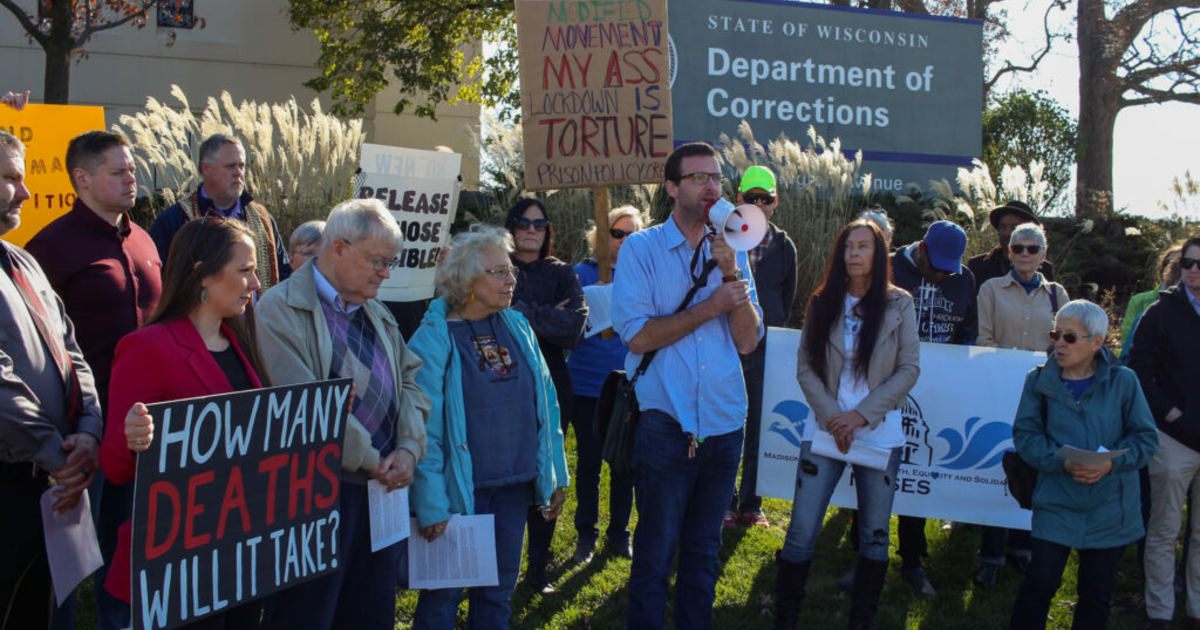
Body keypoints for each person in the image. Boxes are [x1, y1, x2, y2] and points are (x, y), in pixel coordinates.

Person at [255, 198, 429, 630]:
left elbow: (411, 380)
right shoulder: (279, 308)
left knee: (371, 613)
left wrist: (408, 449)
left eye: (390, 263)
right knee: (308, 614)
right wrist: (374, 461)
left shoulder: (376, 309)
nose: (385, 273)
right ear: (338, 249)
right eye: (379, 261)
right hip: (316, 495)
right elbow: (304, 402)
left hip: (382, 488)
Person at [612, 142, 763, 630]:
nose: (711, 187)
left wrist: (730, 272)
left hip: (724, 423)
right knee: (655, 553)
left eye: (716, 178)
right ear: (673, 188)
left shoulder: (734, 246)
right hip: (666, 424)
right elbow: (639, 336)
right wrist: (712, 306)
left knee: (703, 551)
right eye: (699, 178)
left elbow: (748, 341)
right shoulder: (642, 249)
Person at [24, 130, 162, 630]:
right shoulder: (49, 248)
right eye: (118, 172)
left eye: (132, 169)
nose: (131, 179)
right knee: (66, 561)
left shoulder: (144, 239)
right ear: (81, 178)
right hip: (81, 429)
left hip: (141, 427)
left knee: (127, 548)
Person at [99, 218, 267, 628]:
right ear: (202, 272)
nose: (256, 283)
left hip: (239, 555)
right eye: (245, 270)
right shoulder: (146, 348)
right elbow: (114, 465)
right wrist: (132, 438)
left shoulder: (240, 340)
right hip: (177, 566)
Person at [407, 225, 570, 629]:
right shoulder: (433, 338)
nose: (511, 279)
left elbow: (546, 406)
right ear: (466, 280)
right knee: (442, 600)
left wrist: (556, 475)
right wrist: (431, 503)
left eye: (511, 269)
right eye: (498, 272)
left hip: (513, 486)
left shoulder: (517, 326)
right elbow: (421, 429)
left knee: (498, 597)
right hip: (459, 493)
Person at [774, 218, 920, 630]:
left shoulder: (899, 304)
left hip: (878, 432)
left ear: (879, 254)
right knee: (801, 530)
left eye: (863, 246)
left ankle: (861, 621)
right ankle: (786, 619)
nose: (854, 253)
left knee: (875, 534)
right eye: (848, 246)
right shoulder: (823, 301)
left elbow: (909, 369)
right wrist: (834, 419)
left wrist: (860, 416)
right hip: (825, 431)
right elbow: (805, 367)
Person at [0, 129, 103, 630]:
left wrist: (89, 429)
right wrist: (56, 454)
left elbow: (71, 351)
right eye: (11, 178)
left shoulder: (22, 261)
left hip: (49, 480)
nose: (25, 192)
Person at [1007, 300, 1158, 629]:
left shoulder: (1124, 381)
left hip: (1111, 507)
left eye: (1070, 337)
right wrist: (1063, 462)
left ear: (1097, 342)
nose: (1059, 343)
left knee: (1096, 594)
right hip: (1056, 502)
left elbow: (1146, 439)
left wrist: (1110, 464)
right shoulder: (1037, 381)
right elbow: (1026, 436)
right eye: (1055, 334)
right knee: (1039, 585)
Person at [975, 222, 1069, 586]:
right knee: (997, 468)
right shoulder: (991, 289)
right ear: (1009, 252)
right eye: (1018, 248)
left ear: (1044, 254)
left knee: (1033, 467)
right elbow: (984, 339)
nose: (1025, 254)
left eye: (1033, 248)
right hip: (999, 391)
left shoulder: (1058, 294)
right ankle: (990, 554)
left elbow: (1064, 343)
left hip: (1043, 396)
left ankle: (1021, 547)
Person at [502, 198, 586, 592]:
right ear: (511, 226)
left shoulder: (562, 273)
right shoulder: (494, 266)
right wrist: (547, 313)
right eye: (523, 222)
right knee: (502, 473)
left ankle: (538, 566)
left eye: (539, 223)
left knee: (546, 471)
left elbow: (574, 329)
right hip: (499, 386)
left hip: (552, 385)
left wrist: (518, 311)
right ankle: (496, 565)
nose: (531, 230)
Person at [887, 219, 975, 595]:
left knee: (917, 468)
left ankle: (912, 558)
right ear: (921, 249)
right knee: (873, 468)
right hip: (884, 384)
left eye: (948, 270)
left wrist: (954, 369)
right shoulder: (887, 266)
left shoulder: (963, 279)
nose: (941, 275)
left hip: (933, 390)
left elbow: (968, 331)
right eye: (936, 266)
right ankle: (864, 552)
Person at [1129, 234, 1200, 629]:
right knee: (1164, 529)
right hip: (1173, 439)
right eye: (1187, 262)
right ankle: (1160, 612)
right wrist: (1171, 414)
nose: (1193, 270)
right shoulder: (1158, 313)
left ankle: (1196, 610)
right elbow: (1139, 370)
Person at [566, 205, 644, 562]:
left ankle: (619, 534)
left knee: (624, 463)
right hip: (586, 385)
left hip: (627, 385)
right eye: (617, 233)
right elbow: (566, 329)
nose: (623, 241)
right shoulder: (578, 274)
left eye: (631, 234)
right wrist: (589, 301)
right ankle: (586, 534)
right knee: (589, 463)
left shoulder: (642, 275)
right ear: (601, 235)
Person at [724, 165, 797, 529]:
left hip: (765, 350)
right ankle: (723, 502)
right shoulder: (723, 237)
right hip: (725, 346)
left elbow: (786, 298)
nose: (758, 204)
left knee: (758, 428)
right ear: (739, 199)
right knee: (724, 424)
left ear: (775, 202)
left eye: (764, 199)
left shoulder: (784, 247)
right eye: (751, 198)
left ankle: (751, 504)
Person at [149, 133, 291, 290]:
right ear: (206, 168)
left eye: (241, 166)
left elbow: (284, 275)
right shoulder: (174, 219)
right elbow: (159, 282)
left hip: (260, 306)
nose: (238, 172)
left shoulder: (262, 218)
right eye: (230, 166)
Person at [967, 200, 1055, 290]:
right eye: (1003, 227)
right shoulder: (979, 265)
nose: (1006, 233)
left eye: (1014, 228)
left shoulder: (1043, 268)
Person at [1120, 243, 1182, 354]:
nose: (1173, 267)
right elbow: (1128, 339)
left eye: (1180, 263)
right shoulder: (1139, 301)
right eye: (1169, 263)